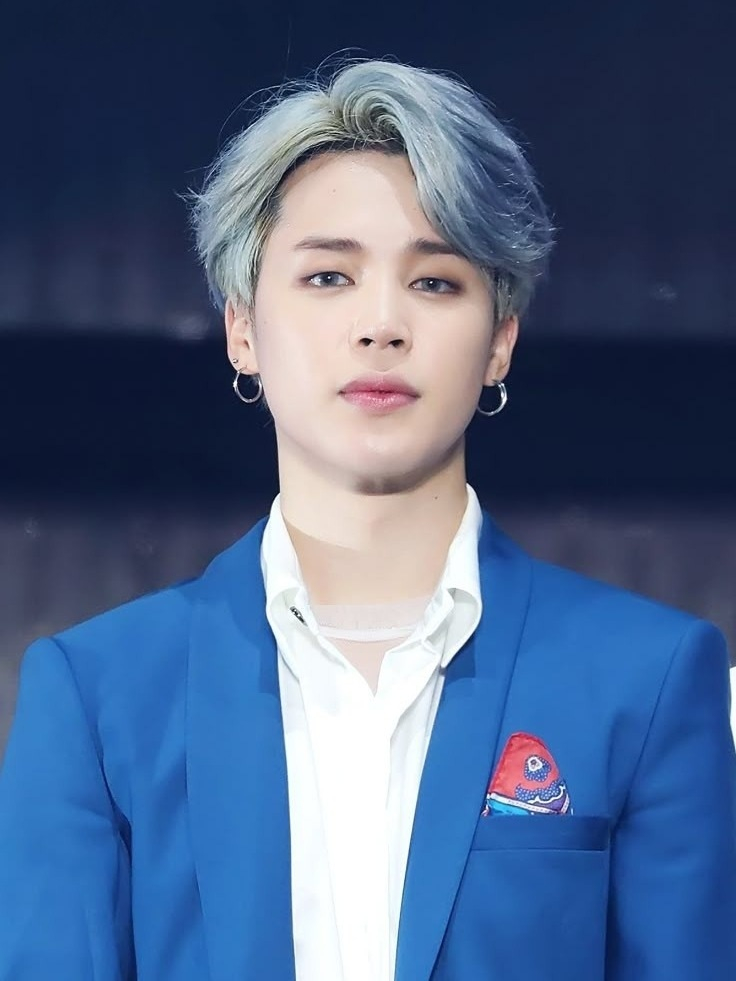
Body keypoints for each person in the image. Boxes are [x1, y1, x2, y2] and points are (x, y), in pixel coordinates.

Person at [0, 57, 734, 981]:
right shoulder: (100, 694)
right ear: (242, 328)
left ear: (501, 338)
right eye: (328, 276)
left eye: (435, 282)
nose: (381, 324)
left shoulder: (648, 677)